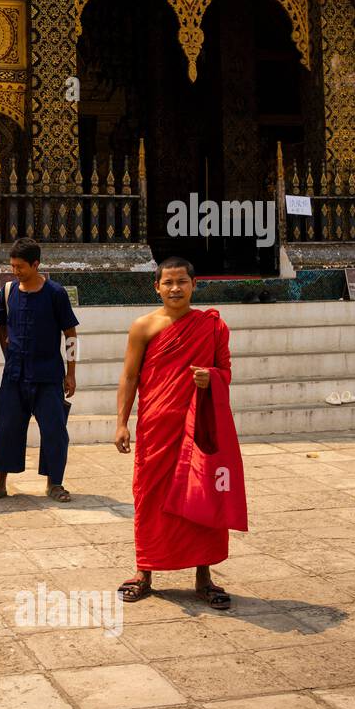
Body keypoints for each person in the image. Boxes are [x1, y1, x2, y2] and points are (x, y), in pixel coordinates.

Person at [113, 257, 247, 608]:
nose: (175, 288)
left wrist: (211, 378)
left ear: (194, 285)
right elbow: (129, 376)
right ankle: (145, 570)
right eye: (168, 282)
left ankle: (204, 575)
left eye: (181, 282)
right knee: (149, 497)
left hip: (198, 426)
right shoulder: (143, 327)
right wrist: (121, 422)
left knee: (200, 496)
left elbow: (226, 372)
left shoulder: (212, 326)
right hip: (157, 425)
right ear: (156, 287)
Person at [0, 238, 79, 503]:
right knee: (7, 429)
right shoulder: (8, 291)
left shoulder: (55, 293)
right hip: (15, 375)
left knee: (55, 430)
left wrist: (71, 373)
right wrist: (7, 353)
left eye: (21, 266)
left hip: (48, 375)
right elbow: (2, 326)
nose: (15, 271)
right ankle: (0, 483)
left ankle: (54, 483)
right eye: (12, 266)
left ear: (36, 265)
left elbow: (70, 334)